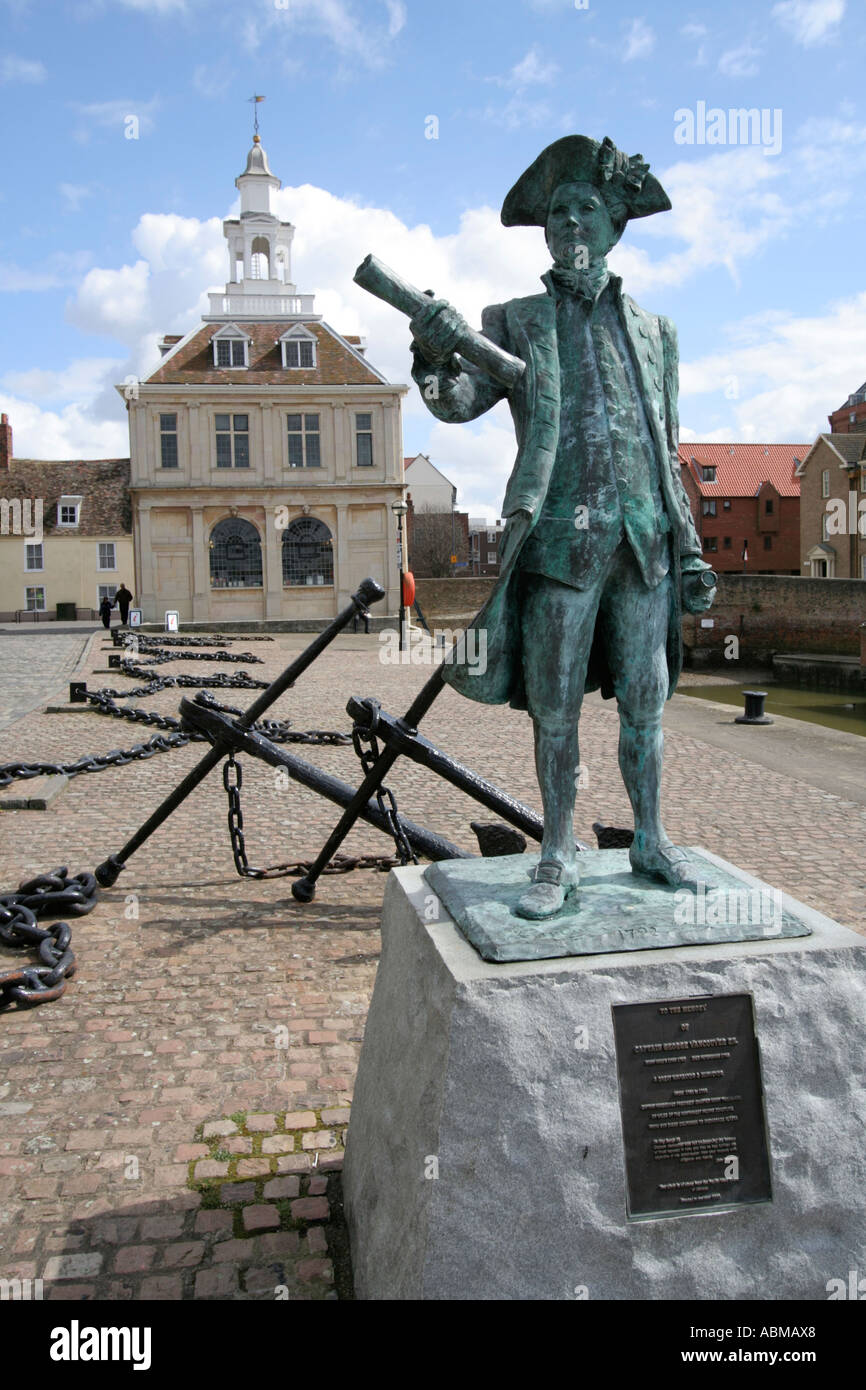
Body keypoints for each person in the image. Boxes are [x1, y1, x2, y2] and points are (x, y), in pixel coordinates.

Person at [409, 134, 716, 920]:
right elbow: (455, 401)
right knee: (555, 709)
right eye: (558, 212)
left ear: (615, 225)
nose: (571, 222)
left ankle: (650, 839)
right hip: (557, 545)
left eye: (586, 208)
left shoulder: (658, 331)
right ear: (544, 231)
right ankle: (557, 851)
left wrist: (688, 547)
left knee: (646, 702)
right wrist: (430, 349)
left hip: (642, 544)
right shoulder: (514, 320)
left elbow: (665, 441)